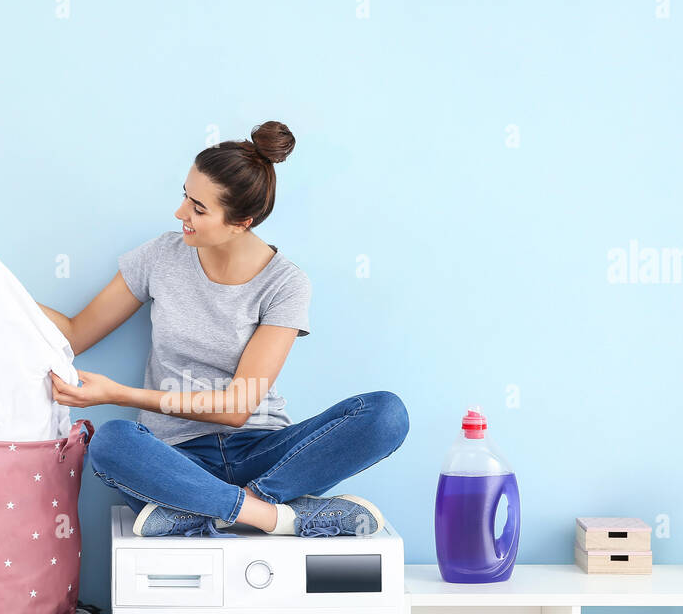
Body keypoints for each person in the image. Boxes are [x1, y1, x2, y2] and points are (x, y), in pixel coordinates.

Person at [37, 120, 409, 538]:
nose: (181, 214)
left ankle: (210, 509)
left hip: (264, 453)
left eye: (199, 209)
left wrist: (118, 394)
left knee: (386, 414)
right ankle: (276, 517)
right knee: (112, 442)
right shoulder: (160, 256)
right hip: (175, 460)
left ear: (241, 222)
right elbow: (73, 333)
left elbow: (237, 408)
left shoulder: (285, 284)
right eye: (185, 196)